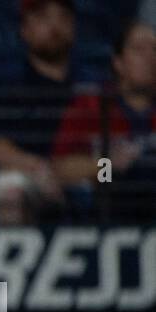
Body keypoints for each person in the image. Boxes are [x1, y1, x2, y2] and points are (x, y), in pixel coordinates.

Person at [0, 0, 81, 225]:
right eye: (43, 18)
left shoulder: (93, 84)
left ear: (74, 28)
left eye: (63, 17)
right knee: (9, 189)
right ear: (24, 30)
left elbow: (107, 149)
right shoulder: (6, 83)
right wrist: (38, 167)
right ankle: (13, 256)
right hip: (28, 171)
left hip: (81, 170)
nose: (54, 26)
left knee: (112, 175)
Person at [52, 19, 156, 223]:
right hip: (107, 204)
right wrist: (107, 165)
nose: (150, 58)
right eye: (139, 50)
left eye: (155, 50)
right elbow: (62, 168)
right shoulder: (90, 105)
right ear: (118, 62)